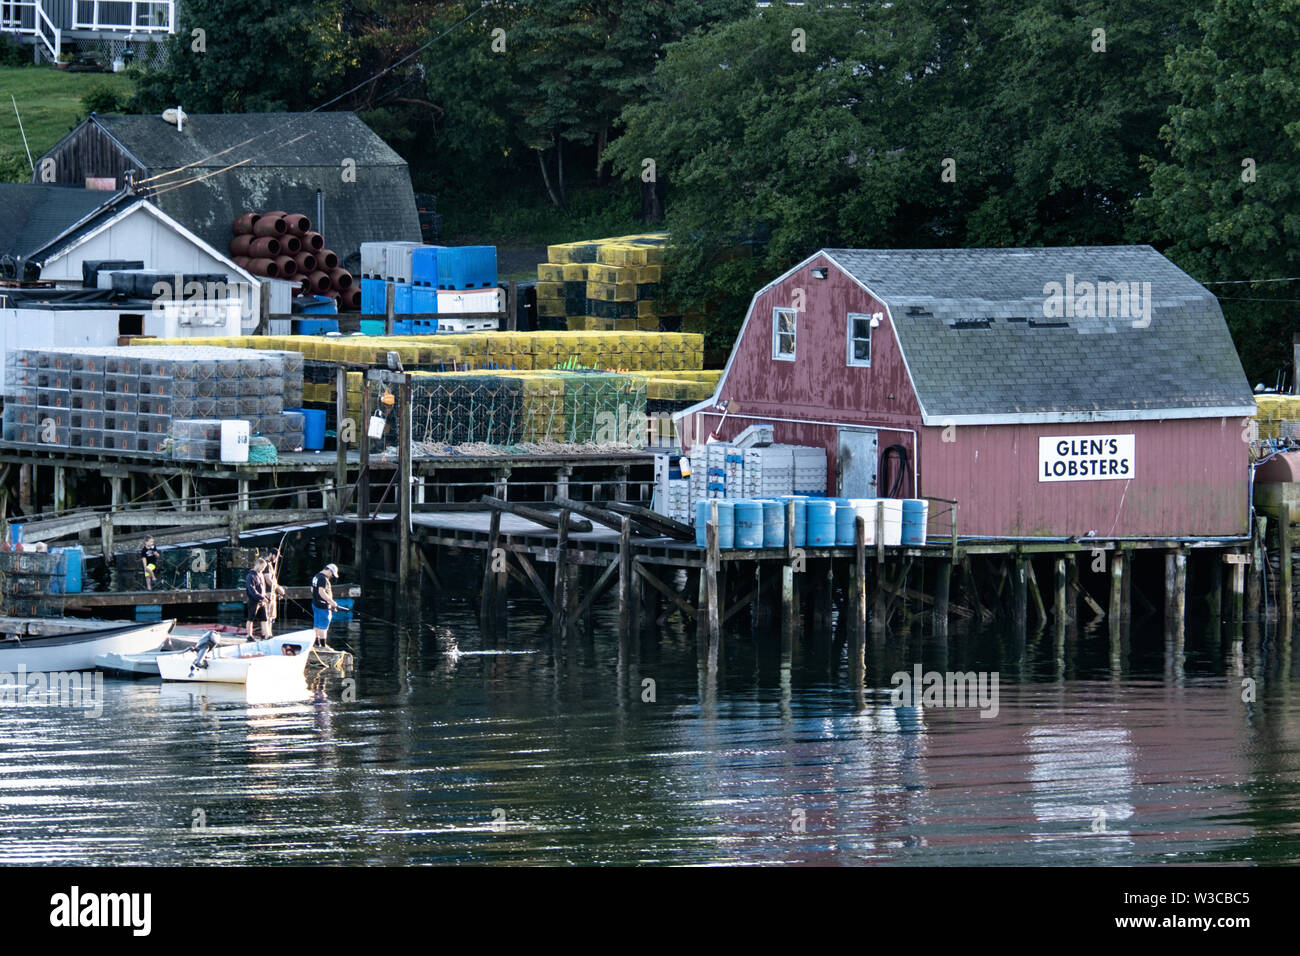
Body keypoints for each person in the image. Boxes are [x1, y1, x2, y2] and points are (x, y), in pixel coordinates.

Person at [310, 563, 342, 646]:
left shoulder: (316, 576)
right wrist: (332, 602)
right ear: (329, 570)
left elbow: (312, 590)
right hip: (323, 606)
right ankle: (323, 646)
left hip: (315, 604)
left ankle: (316, 644)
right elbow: (321, 592)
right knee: (323, 626)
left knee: (316, 625)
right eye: (332, 574)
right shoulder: (323, 578)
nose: (331, 576)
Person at [261, 550, 286, 639]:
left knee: (271, 616)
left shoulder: (270, 565)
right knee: (267, 615)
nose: (276, 559)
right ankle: (266, 634)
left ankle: (269, 633)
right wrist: (278, 588)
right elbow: (268, 579)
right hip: (267, 593)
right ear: (271, 554)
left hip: (272, 593)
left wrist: (277, 590)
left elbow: (273, 580)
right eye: (276, 556)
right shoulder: (266, 565)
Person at [245, 558, 269, 641]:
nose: (262, 569)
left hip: (261, 600)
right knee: (250, 618)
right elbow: (252, 590)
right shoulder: (250, 576)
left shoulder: (261, 575)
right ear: (257, 564)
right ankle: (249, 635)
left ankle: (266, 635)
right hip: (253, 600)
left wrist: (264, 597)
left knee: (264, 618)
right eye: (262, 567)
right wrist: (261, 597)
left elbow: (263, 588)